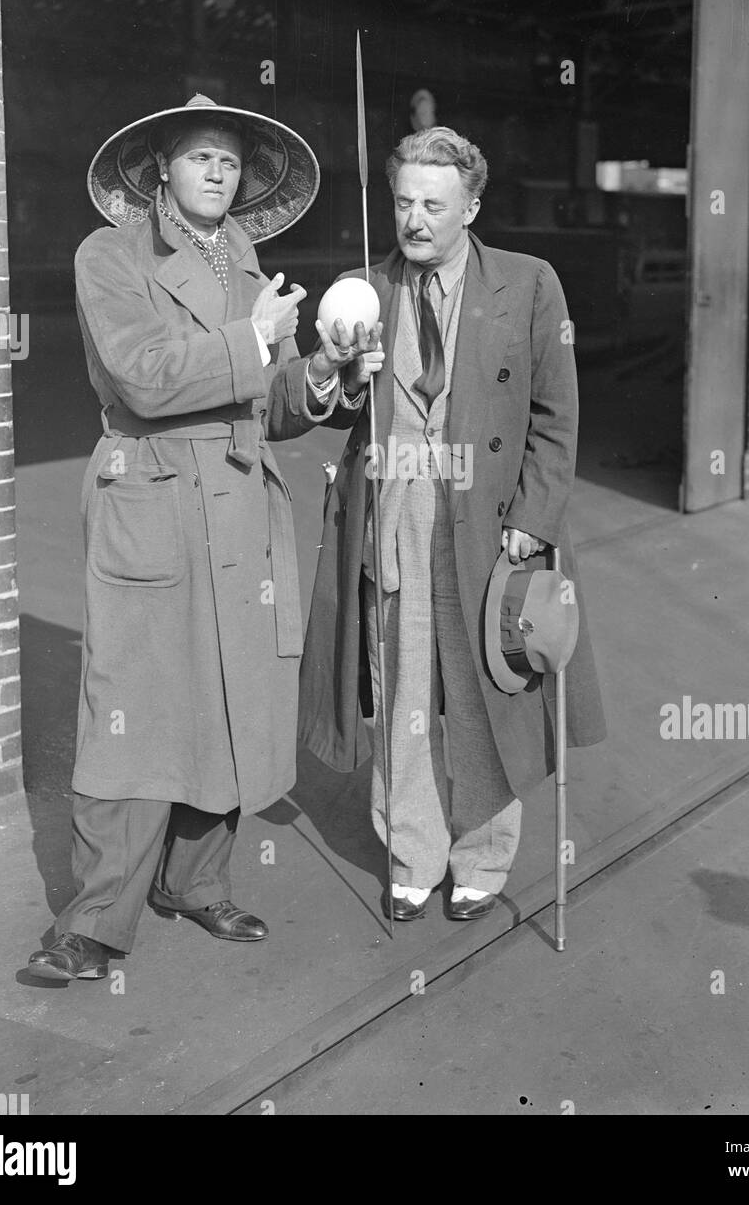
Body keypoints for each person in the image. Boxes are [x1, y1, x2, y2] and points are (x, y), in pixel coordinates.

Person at [27, 95, 379, 981]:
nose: (220, 172)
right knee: (135, 707)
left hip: (237, 501)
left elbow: (265, 407)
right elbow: (142, 381)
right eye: (201, 157)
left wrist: (326, 373)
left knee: (231, 695)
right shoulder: (108, 255)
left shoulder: (249, 268)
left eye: (231, 161)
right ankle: (95, 919)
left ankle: (194, 882)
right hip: (150, 493)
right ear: (160, 171)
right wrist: (250, 337)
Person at [299, 126, 606, 922]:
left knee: (482, 694)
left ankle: (480, 855)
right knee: (400, 689)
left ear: (471, 205)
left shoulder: (530, 285)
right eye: (403, 201)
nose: (414, 220)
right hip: (395, 517)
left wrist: (534, 518)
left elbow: (555, 417)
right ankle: (412, 851)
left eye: (434, 204)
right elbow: (328, 406)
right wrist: (339, 373)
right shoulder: (365, 291)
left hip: (490, 523)